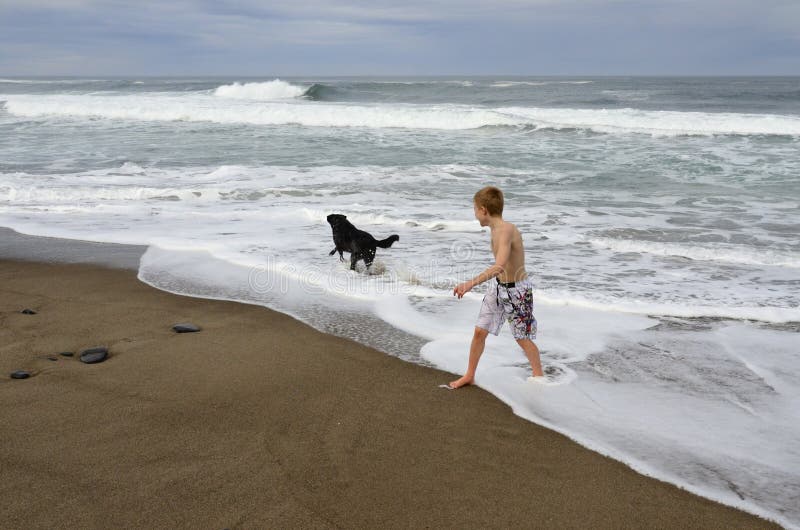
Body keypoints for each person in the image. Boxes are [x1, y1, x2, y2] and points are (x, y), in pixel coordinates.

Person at [449, 186, 543, 389]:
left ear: (483, 210)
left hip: (517, 291)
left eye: (475, 209)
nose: (474, 214)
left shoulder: (507, 230)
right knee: (479, 332)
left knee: (522, 338)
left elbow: (499, 265)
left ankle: (539, 378)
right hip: (498, 288)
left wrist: (470, 283)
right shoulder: (495, 229)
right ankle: (470, 375)